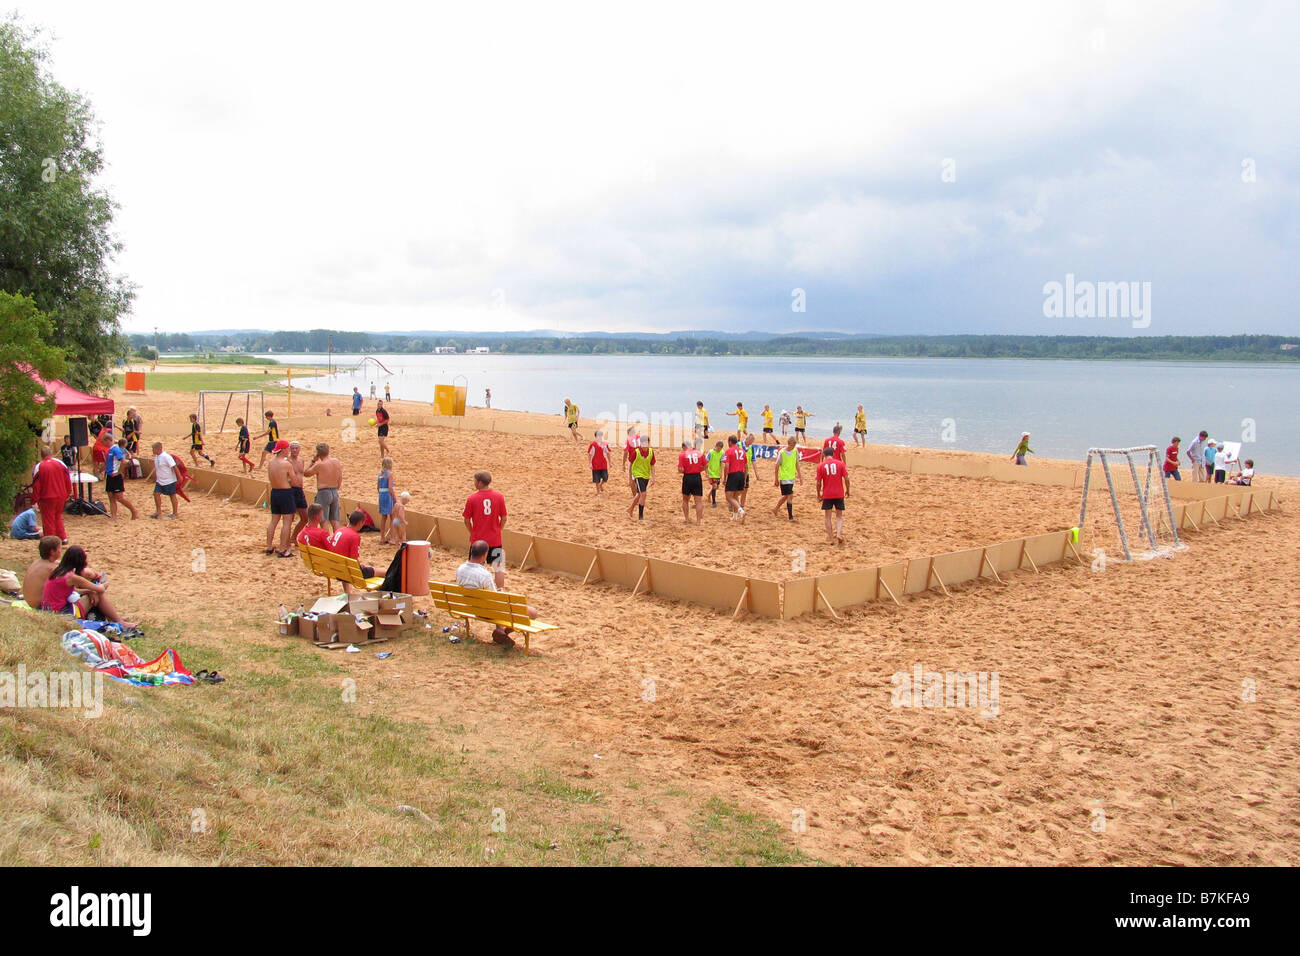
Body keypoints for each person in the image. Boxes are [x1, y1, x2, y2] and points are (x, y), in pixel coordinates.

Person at [456, 540, 537, 647]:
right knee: (532, 612)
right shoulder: (484, 575)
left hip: (471, 608)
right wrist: (501, 592)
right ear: (485, 555)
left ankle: (501, 631)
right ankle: (503, 631)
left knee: (497, 604)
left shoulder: (460, 569)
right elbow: (495, 600)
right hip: (488, 612)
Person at [40, 545, 126, 624]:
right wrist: (104, 583)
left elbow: (73, 591)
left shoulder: (57, 571)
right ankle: (120, 621)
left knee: (92, 592)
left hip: (49, 611)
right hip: (64, 615)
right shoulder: (72, 577)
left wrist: (88, 591)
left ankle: (115, 618)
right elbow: (100, 589)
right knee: (97, 594)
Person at [463, 470, 508, 588]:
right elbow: (504, 518)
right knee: (498, 568)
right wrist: (499, 530)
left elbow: (467, 520)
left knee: (476, 567)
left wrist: (472, 532)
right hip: (495, 540)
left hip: (478, 540)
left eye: (475, 481)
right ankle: (500, 591)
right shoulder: (499, 496)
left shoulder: (472, 498)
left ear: (480, 483)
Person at [32, 446, 72, 544]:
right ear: (51, 453)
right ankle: (62, 537)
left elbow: (37, 485)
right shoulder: (61, 464)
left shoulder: (39, 466)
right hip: (61, 495)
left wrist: (34, 500)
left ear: (41, 455)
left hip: (47, 497)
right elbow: (67, 479)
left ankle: (51, 542)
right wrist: (67, 492)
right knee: (57, 516)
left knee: (48, 519)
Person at [328, 511, 375, 592]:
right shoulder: (354, 536)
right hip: (346, 570)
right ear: (360, 523)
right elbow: (354, 558)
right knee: (384, 572)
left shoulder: (339, 530)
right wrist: (359, 566)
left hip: (334, 567)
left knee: (347, 563)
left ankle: (347, 593)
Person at [304, 442, 343, 533]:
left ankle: (326, 540)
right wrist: (337, 487)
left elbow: (306, 473)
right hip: (334, 491)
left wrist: (313, 461)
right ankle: (337, 541)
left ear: (318, 453)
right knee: (335, 520)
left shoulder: (320, 465)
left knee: (323, 520)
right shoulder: (336, 461)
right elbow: (340, 477)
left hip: (324, 491)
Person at [265, 440, 295, 556]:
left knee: (273, 521)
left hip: (275, 492)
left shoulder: (271, 463)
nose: (289, 451)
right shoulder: (286, 464)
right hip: (285, 492)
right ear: (283, 450)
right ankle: (282, 548)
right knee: (287, 522)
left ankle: (269, 546)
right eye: (288, 449)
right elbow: (294, 479)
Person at [816, 446, 849, 544]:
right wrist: (848, 490)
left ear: (824, 455)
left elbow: (818, 483)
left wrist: (818, 494)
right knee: (839, 516)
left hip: (827, 494)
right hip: (839, 493)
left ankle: (831, 539)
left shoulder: (821, 466)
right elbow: (846, 479)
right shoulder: (840, 464)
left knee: (827, 517)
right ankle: (838, 533)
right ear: (833, 454)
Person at [105, 438, 138, 520]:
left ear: (107, 440)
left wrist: (119, 472)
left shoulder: (116, 449)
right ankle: (114, 516)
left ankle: (133, 510)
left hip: (115, 476)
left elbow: (124, 462)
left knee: (119, 497)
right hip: (110, 475)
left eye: (104, 441)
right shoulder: (110, 450)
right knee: (111, 497)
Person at [23, 536, 62, 608]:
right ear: (52, 552)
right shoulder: (51, 568)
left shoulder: (37, 562)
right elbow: (71, 581)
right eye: (59, 548)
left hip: (29, 601)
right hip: (39, 606)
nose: (61, 551)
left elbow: (59, 563)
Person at [627, 435, 655, 520]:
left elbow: (652, 465)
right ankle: (641, 516)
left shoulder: (651, 451)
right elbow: (630, 464)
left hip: (646, 475)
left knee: (639, 494)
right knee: (643, 494)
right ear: (641, 443)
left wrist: (653, 477)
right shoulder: (636, 452)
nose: (645, 444)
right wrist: (630, 477)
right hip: (637, 474)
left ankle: (630, 508)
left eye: (646, 443)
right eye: (643, 443)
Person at [287, 441, 310, 543]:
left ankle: (293, 537)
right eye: (293, 448)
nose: (295, 450)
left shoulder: (301, 460)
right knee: (289, 518)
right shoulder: (287, 461)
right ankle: (287, 540)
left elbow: (303, 474)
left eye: (296, 448)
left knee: (305, 518)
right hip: (290, 490)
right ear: (289, 449)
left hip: (300, 490)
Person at [677, 441, 705, 524]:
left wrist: (686, 470)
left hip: (688, 477)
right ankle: (698, 521)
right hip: (697, 476)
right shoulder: (699, 453)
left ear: (684, 447)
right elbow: (705, 465)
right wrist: (699, 470)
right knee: (698, 501)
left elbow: (680, 469)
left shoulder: (682, 455)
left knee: (685, 500)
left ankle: (686, 518)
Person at [773, 436, 800, 520]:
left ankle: (776, 508)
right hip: (784, 477)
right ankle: (790, 516)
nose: (793, 447)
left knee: (786, 496)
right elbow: (776, 466)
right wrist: (776, 479)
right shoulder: (782, 452)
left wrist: (800, 475)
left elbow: (797, 464)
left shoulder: (795, 451)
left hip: (791, 477)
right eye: (793, 445)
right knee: (790, 495)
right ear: (789, 444)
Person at [723, 434, 748, 521]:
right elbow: (746, 466)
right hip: (741, 474)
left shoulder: (729, 451)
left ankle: (741, 511)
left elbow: (726, 465)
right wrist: (744, 479)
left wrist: (725, 478)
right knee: (735, 495)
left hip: (733, 474)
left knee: (729, 497)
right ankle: (735, 517)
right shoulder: (742, 451)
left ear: (730, 442)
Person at [377, 456, 396, 542]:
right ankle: (392, 538)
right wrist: (395, 498)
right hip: (388, 495)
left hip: (381, 495)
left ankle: (382, 537)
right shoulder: (390, 474)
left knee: (383, 517)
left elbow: (378, 487)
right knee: (392, 517)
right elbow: (390, 487)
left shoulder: (379, 474)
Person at [588, 429, 611, 495]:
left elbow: (608, 453)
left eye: (601, 436)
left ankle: (601, 485)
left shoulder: (605, 444)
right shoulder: (593, 444)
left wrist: (610, 462)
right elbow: (589, 454)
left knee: (605, 478)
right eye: (599, 436)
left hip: (603, 464)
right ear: (596, 437)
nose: (600, 437)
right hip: (595, 465)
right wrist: (590, 463)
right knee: (597, 479)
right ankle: (598, 492)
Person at [705, 439, 725, 508]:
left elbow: (722, 463)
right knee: (715, 486)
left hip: (717, 472)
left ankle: (708, 495)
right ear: (715, 446)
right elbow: (706, 462)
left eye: (720, 449)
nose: (719, 450)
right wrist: (707, 472)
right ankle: (714, 502)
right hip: (711, 472)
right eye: (718, 448)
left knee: (716, 487)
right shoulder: (711, 452)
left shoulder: (722, 452)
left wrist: (721, 472)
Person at [622, 425, 642, 494]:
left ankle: (635, 496)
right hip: (641, 459)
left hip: (633, 460)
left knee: (631, 479)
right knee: (640, 477)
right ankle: (639, 494)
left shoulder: (628, 440)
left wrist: (623, 464)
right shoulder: (640, 438)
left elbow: (625, 452)